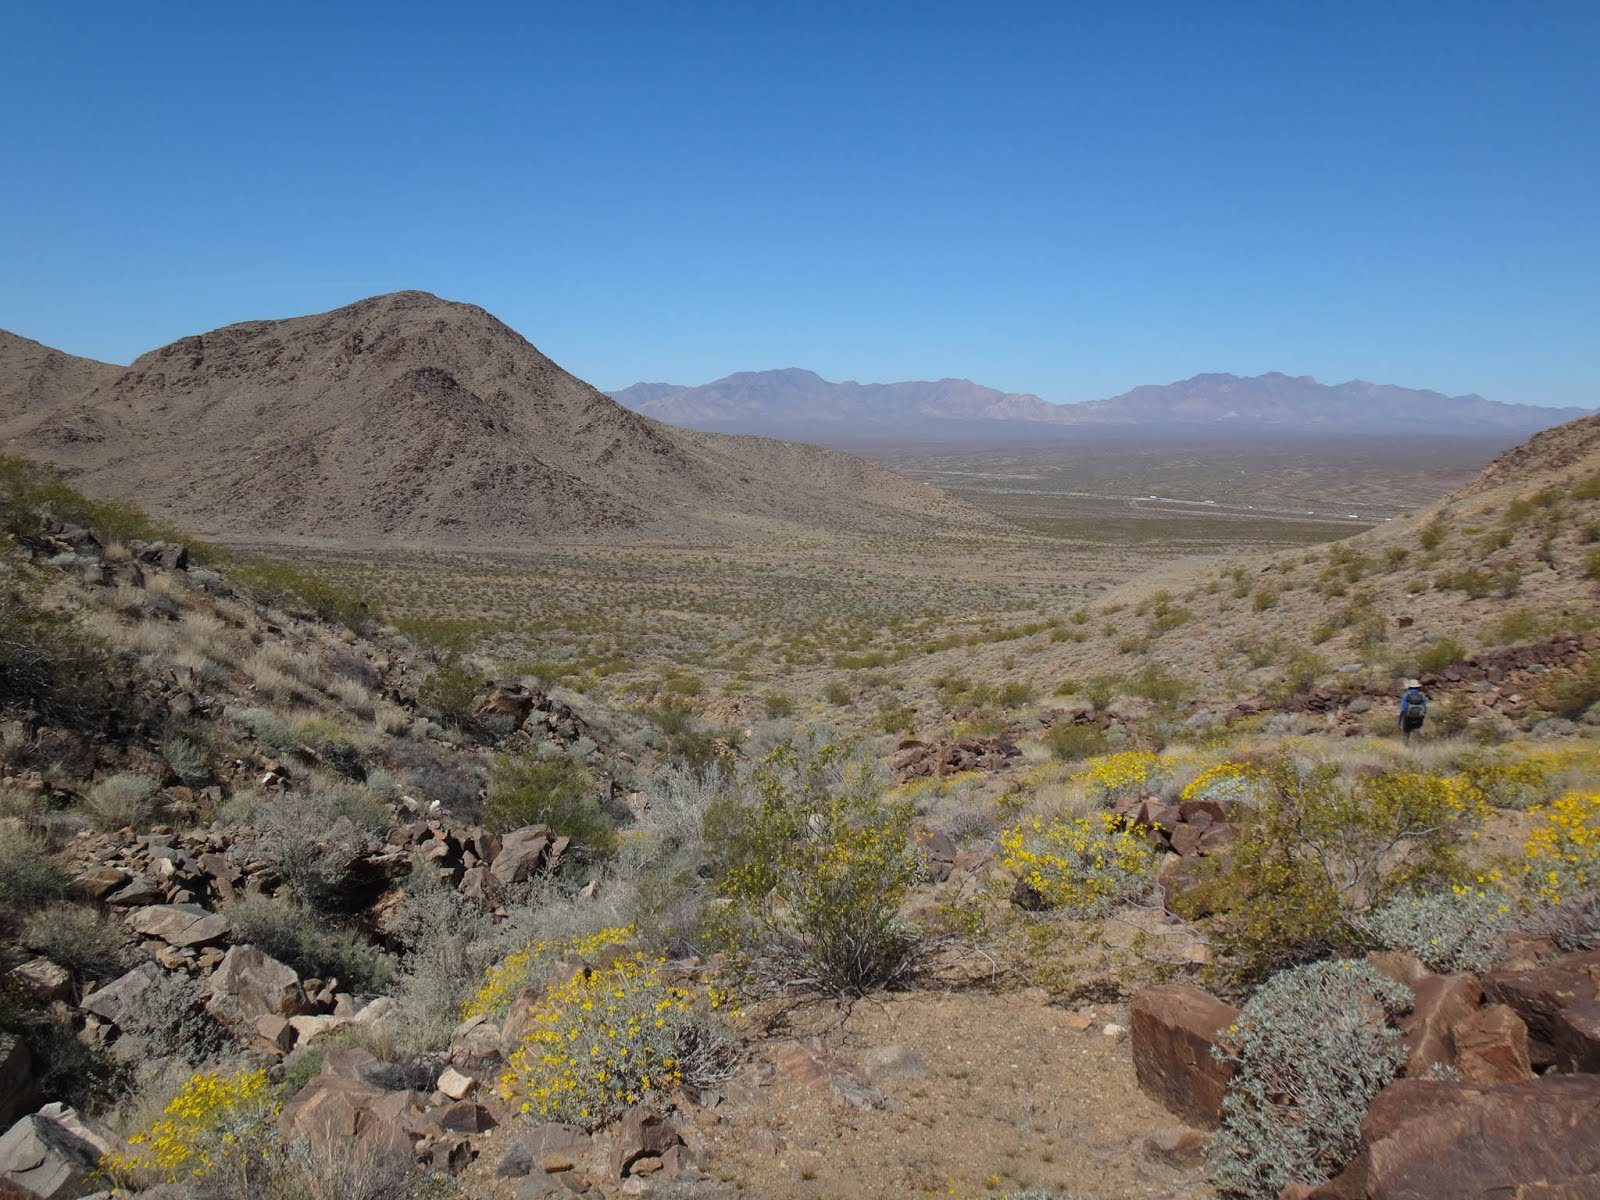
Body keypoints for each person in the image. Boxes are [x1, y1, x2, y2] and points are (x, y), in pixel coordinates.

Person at [1398, 678, 1428, 743]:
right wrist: (1421, 717)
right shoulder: (1422, 695)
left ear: (1409, 687)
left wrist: (1400, 721)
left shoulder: (1406, 695)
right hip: (1419, 717)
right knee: (1415, 735)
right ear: (1418, 687)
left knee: (1406, 734)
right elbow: (1425, 709)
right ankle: (1414, 750)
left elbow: (1403, 710)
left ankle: (1405, 749)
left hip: (1408, 717)